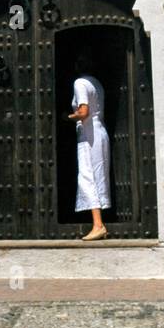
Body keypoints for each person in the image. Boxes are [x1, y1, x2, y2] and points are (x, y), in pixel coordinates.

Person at [66, 47, 111, 241]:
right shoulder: (97, 83)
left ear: (78, 66)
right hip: (100, 132)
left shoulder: (80, 83)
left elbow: (83, 112)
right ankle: (99, 223)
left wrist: (68, 116)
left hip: (89, 134)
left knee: (88, 176)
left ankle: (98, 225)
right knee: (98, 175)